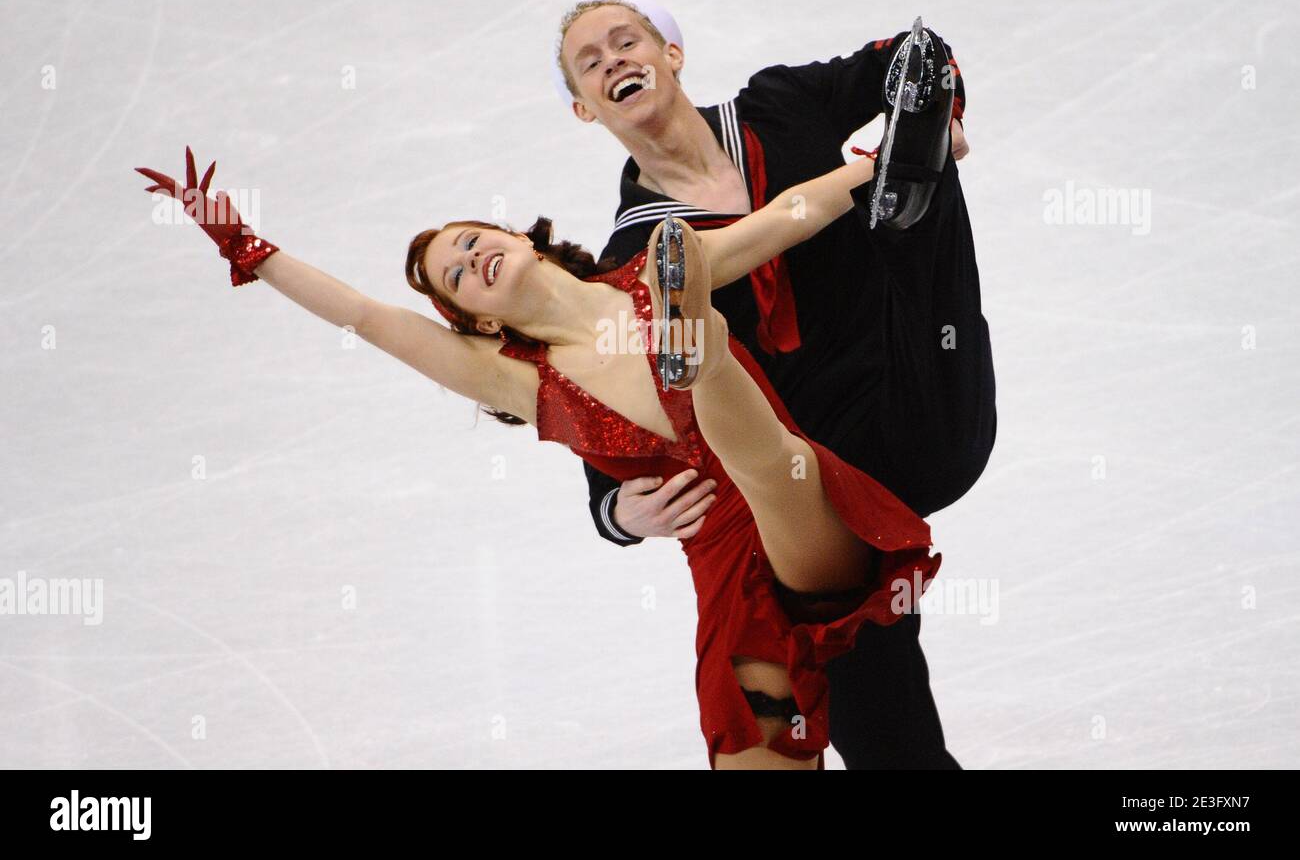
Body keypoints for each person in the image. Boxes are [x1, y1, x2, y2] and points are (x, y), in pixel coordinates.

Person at [134, 145, 939, 769]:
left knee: (769, 466)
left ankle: (702, 346)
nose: (470, 259)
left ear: (518, 235)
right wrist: (245, 245)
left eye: (473, 240)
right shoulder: (520, 380)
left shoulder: (651, 270)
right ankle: (698, 344)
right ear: (475, 322)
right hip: (727, 575)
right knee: (756, 750)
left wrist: (898, 157)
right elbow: (369, 319)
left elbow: (791, 214)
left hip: (798, 506)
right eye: (456, 277)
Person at [554, 0, 996, 769]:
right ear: (585, 110)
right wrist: (612, 506)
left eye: (628, 42)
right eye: (591, 64)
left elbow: (908, 50)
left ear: (672, 56)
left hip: (923, 388)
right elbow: (612, 388)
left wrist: (942, 107)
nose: (614, 61)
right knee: (889, 736)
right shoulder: (635, 258)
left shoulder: (780, 103)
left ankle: (910, 177)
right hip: (831, 480)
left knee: (915, 184)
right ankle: (897, 182)